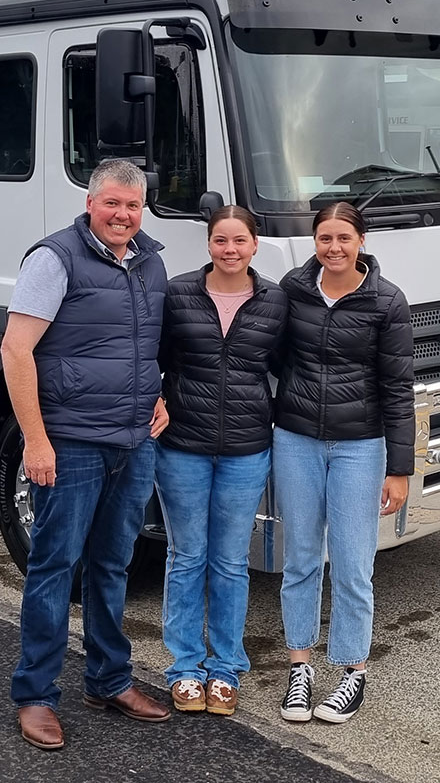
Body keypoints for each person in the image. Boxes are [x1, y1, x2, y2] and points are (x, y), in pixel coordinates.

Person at [4, 158, 173, 751]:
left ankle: (109, 680)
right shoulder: (54, 259)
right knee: (54, 567)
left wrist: (162, 396)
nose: (123, 215)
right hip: (71, 441)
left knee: (112, 566)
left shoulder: (151, 260)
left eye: (133, 205)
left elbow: (152, 341)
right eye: (112, 204)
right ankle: (35, 695)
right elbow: (16, 350)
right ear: (90, 203)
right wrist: (36, 439)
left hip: (134, 442)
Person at [271, 201, 415, 725]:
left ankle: (352, 673)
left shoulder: (386, 301)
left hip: (360, 446)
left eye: (344, 239)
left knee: (354, 565)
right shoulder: (292, 291)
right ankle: (299, 668)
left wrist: (400, 468)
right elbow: (269, 356)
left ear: (361, 241)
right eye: (325, 238)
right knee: (301, 559)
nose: (334, 248)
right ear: (314, 241)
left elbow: (399, 388)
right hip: (296, 440)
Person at [156, 205, 289, 717]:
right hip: (182, 446)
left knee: (231, 562)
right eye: (220, 241)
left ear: (255, 245)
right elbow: (155, 356)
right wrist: (154, 397)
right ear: (208, 244)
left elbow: (287, 365)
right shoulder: (179, 293)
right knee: (187, 556)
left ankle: (225, 666)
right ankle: (185, 667)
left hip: (246, 448)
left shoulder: (274, 300)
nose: (229, 250)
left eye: (239, 241)